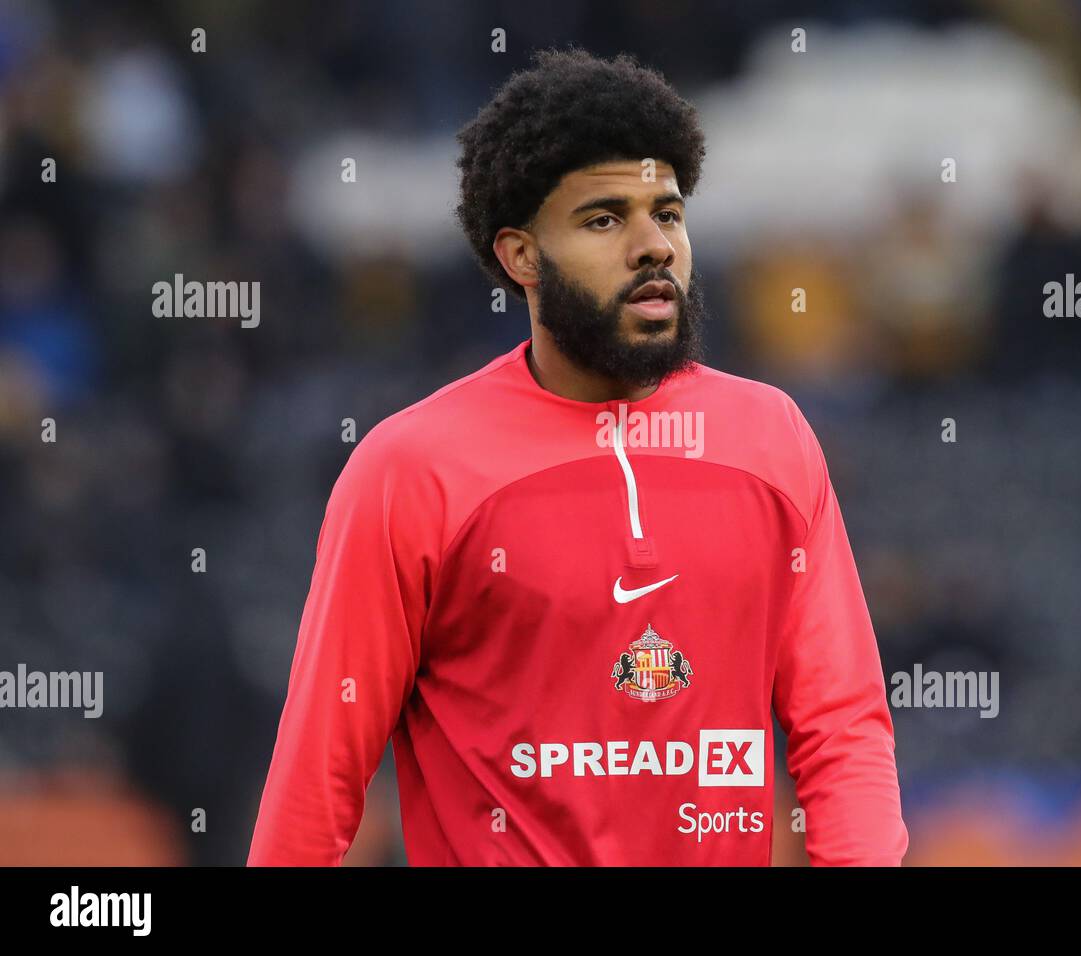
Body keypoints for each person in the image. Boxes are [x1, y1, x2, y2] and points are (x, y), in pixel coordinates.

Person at [248, 46, 907, 866]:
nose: (653, 246)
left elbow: (841, 723)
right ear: (521, 256)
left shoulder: (771, 437)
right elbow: (320, 771)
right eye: (604, 220)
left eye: (666, 214)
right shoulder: (410, 467)